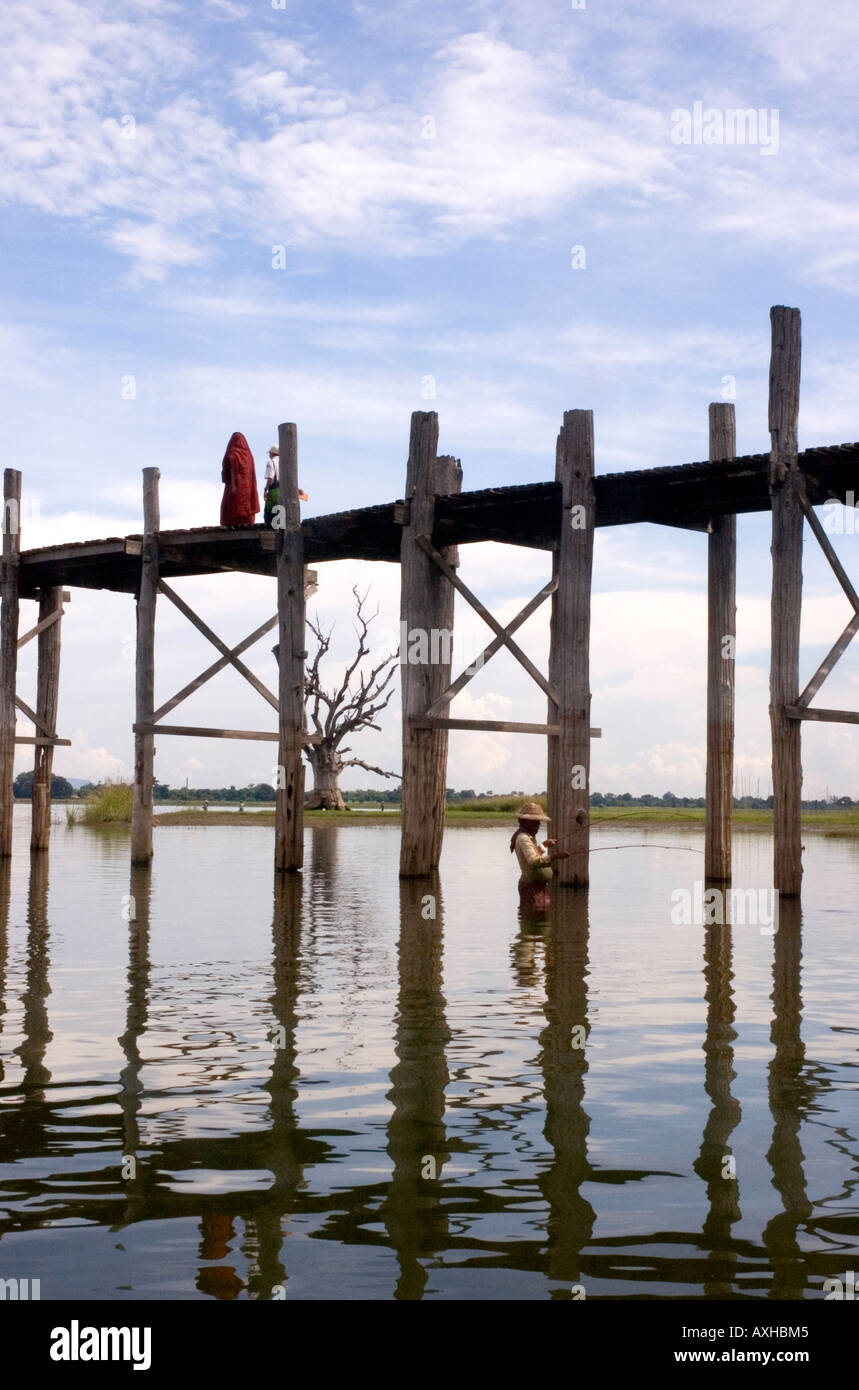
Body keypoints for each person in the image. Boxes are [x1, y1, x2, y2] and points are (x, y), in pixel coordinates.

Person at [510, 800, 567, 910]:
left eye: (538, 822)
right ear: (525, 822)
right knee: (533, 920)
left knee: (540, 920)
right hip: (531, 887)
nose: (538, 824)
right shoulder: (524, 838)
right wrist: (556, 856)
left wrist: (545, 845)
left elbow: (533, 853)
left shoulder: (528, 837)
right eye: (535, 822)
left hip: (538, 887)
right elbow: (533, 861)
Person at [220, 432, 260, 527]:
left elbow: (233, 470)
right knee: (246, 506)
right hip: (248, 489)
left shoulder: (234, 454)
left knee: (233, 507)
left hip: (235, 488)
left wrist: (234, 485)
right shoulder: (249, 456)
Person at [263, 446, 309, 525]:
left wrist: (266, 490)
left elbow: (270, 479)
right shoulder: (286, 463)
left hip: (275, 491)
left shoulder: (271, 462)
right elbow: (290, 479)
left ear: (272, 453)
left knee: (270, 516)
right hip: (287, 491)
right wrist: (297, 489)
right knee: (284, 516)